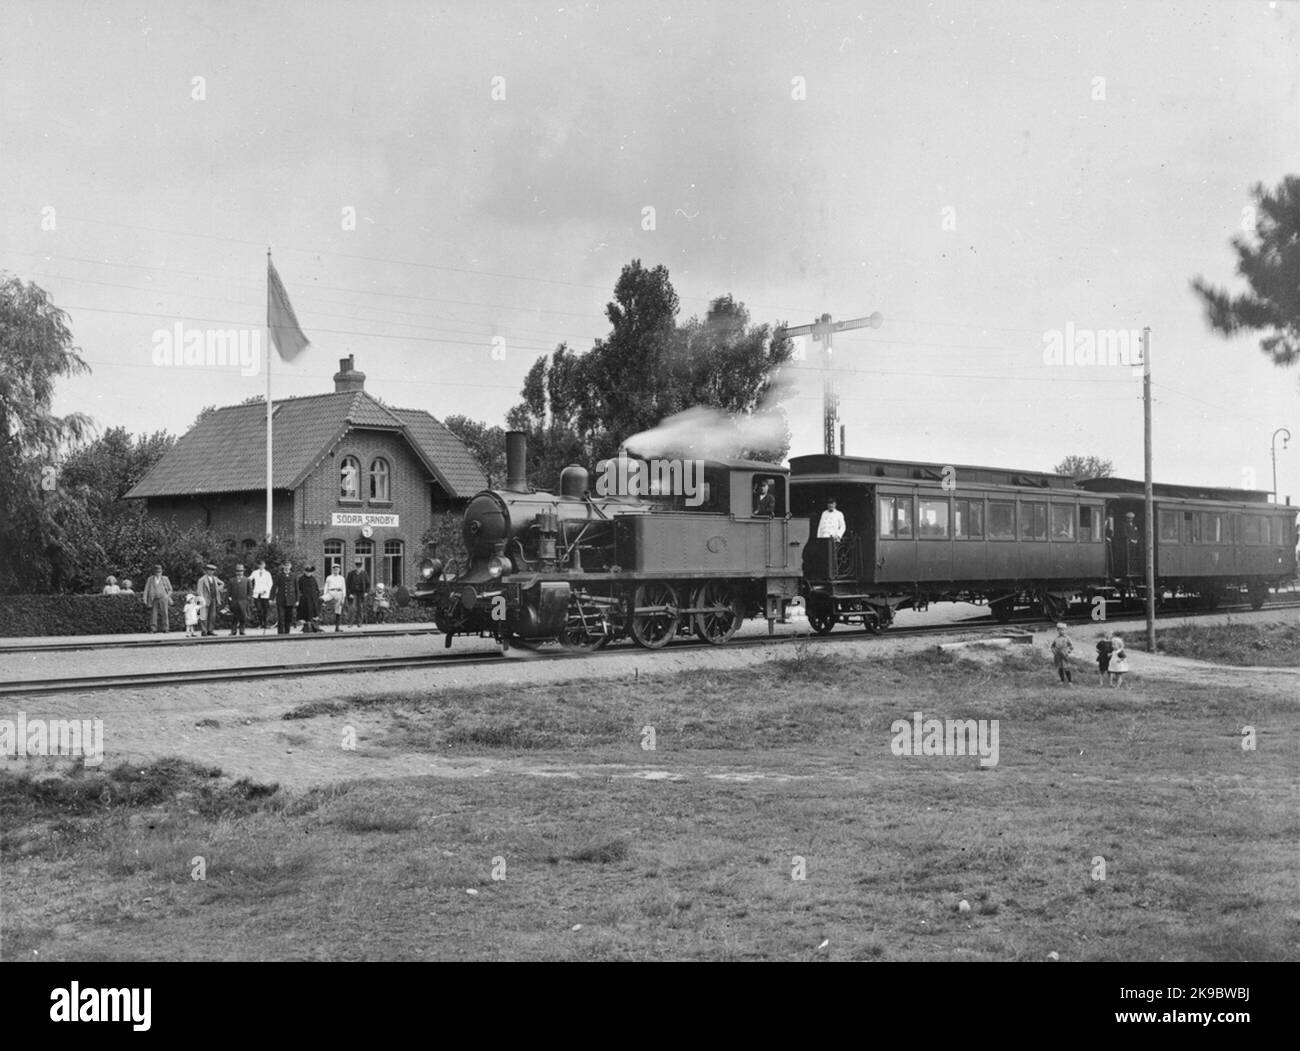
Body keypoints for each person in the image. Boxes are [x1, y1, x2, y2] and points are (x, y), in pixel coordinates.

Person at [142, 565, 173, 633]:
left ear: (161, 572)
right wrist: (144, 599)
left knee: (165, 613)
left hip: (163, 598)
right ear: (154, 572)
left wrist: (167, 596)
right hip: (153, 598)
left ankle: (166, 628)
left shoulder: (165, 579)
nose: (158, 573)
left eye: (159, 572)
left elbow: (170, 589)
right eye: (157, 572)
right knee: (153, 614)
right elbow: (146, 590)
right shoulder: (150, 579)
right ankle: (153, 629)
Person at [196, 564, 224, 637]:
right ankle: (204, 631)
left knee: (212, 616)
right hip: (205, 599)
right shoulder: (202, 579)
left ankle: (210, 630)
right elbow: (199, 590)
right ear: (206, 571)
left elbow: (222, 583)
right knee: (203, 615)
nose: (211, 572)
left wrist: (218, 589)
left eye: (212, 570)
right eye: (210, 570)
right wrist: (202, 599)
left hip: (213, 599)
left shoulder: (215, 578)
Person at [271, 561, 298, 635]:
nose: (287, 567)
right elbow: (274, 587)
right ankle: (280, 633)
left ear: (290, 566)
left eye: (288, 565)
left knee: (289, 617)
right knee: (281, 617)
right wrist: (271, 598)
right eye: (285, 566)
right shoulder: (279, 575)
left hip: (291, 599)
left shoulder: (294, 575)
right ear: (283, 566)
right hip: (281, 599)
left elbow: (296, 588)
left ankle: (287, 633)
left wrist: (297, 600)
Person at [227, 564, 252, 636]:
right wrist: (228, 601)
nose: (239, 572)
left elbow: (250, 591)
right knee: (234, 617)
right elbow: (229, 592)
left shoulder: (247, 580)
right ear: (235, 572)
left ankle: (242, 630)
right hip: (234, 601)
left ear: (243, 571)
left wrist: (248, 600)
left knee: (243, 617)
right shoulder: (232, 580)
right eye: (238, 571)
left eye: (241, 571)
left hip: (244, 601)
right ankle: (233, 631)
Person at [346, 557, 370, 629]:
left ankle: (359, 623)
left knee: (360, 608)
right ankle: (350, 623)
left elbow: (368, 584)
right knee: (352, 608)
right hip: (353, 594)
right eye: (357, 566)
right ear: (355, 566)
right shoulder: (351, 574)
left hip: (361, 593)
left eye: (359, 566)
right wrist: (349, 593)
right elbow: (347, 584)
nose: (358, 568)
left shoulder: (364, 573)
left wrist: (366, 592)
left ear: (361, 567)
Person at [250, 559, 273, 629]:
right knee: (259, 609)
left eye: (262, 564)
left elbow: (270, 583)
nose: (261, 566)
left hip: (265, 594)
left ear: (264, 565)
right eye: (259, 565)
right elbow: (249, 579)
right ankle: (260, 623)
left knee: (265, 609)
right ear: (258, 565)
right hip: (257, 593)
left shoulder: (267, 573)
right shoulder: (255, 572)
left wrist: (265, 591)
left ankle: (266, 624)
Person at [298, 564, 322, 633]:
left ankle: (314, 627)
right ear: (305, 571)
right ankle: (306, 627)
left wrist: (317, 595)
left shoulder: (313, 578)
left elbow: (316, 588)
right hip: (305, 600)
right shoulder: (301, 579)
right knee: (306, 614)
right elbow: (298, 589)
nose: (308, 573)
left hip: (313, 599)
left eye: (310, 572)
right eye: (307, 571)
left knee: (314, 614)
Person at [323, 563, 347, 632]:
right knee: (324, 604)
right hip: (331, 592)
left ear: (339, 570)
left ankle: (337, 627)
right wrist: (325, 595)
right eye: (334, 569)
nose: (336, 570)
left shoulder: (341, 578)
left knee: (338, 610)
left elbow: (344, 588)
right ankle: (323, 622)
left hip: (339, 593)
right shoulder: (329, 577)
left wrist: (343, 598)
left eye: (337, 569)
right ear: (332, 570)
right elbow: (326, 587)